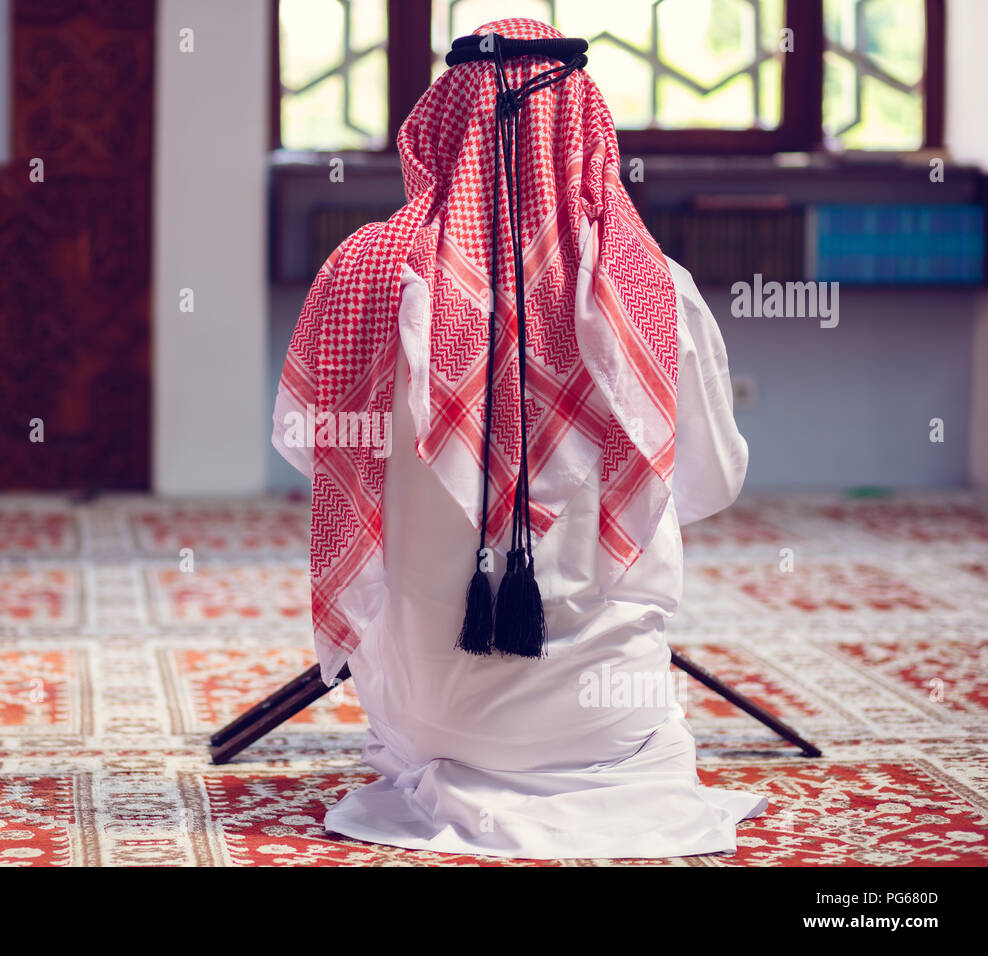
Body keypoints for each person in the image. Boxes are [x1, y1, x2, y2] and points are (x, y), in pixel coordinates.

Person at [271, 17, 766, 859]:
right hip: (606, 722)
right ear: (588, 129)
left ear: (440, 123)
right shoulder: (652, 288)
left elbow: (305, 444)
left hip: (426, 716)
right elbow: (710, 480)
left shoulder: (361, 273)